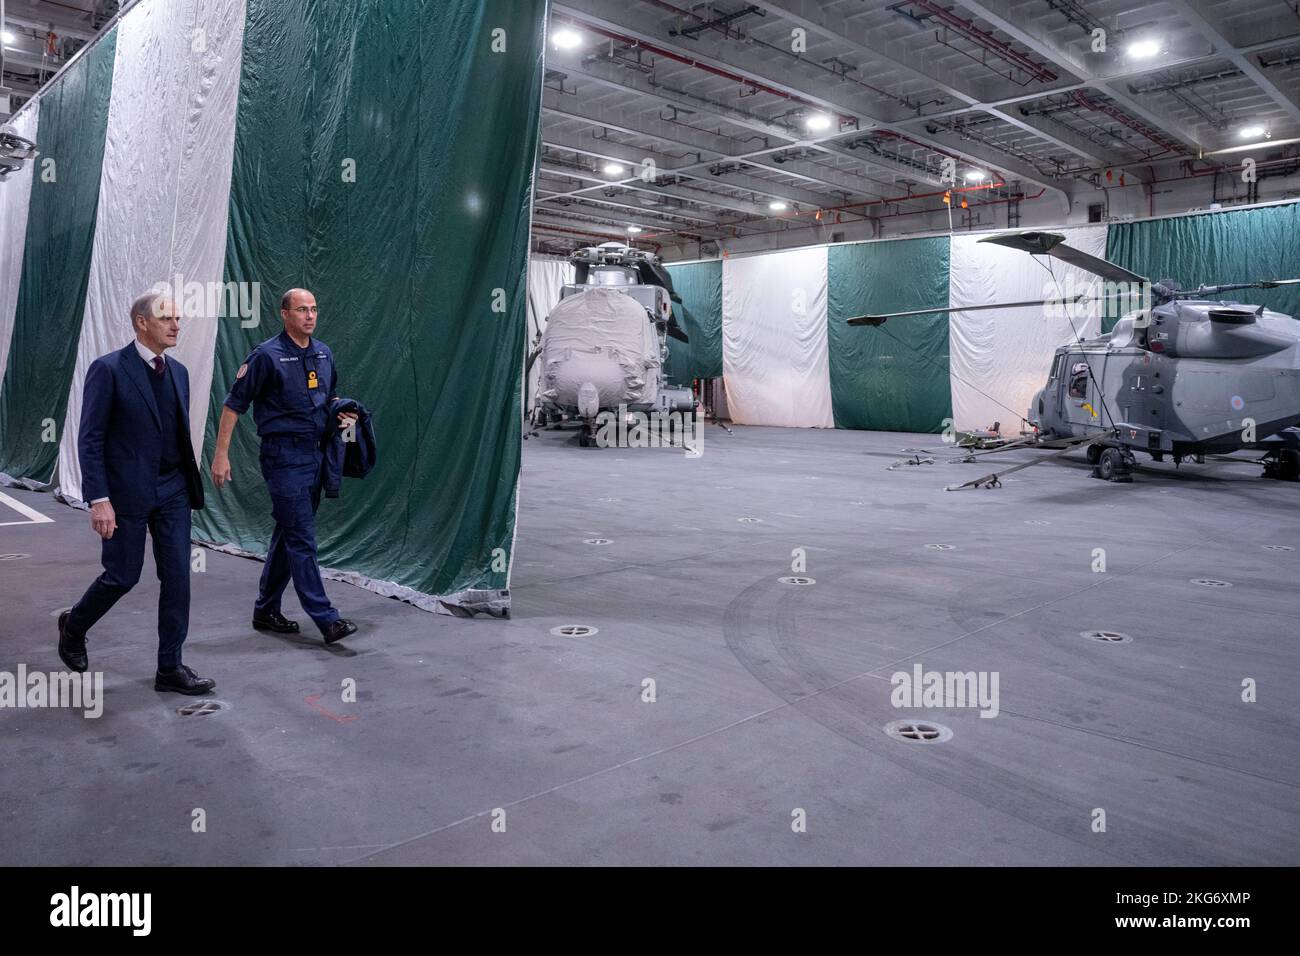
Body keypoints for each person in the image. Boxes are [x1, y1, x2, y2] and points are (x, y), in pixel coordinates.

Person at [58, 293, 214, 695]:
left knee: (178, 576)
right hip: (125, 494)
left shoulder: (178, 372)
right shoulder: (109, 370)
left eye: (179, 318)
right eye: (167, 317)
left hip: (173, 489)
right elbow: (89, 439)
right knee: (122, 576)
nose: (176, 324)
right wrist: (99, 498)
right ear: (141, 322)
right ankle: (74, 625)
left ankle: (170, 667)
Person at [210, 289, 358, 645]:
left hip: (316, 456)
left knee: (288, 535)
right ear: (284, 314)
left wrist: (342, 412)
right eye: (302, 310)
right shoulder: (266, 356)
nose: (309, 316)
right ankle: (327, 619)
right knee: (302, 538)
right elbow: (234, 405)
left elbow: (330, 396)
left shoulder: (323, 353)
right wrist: (221, 456)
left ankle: (266, 610)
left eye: (314, 309)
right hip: (283, 459)